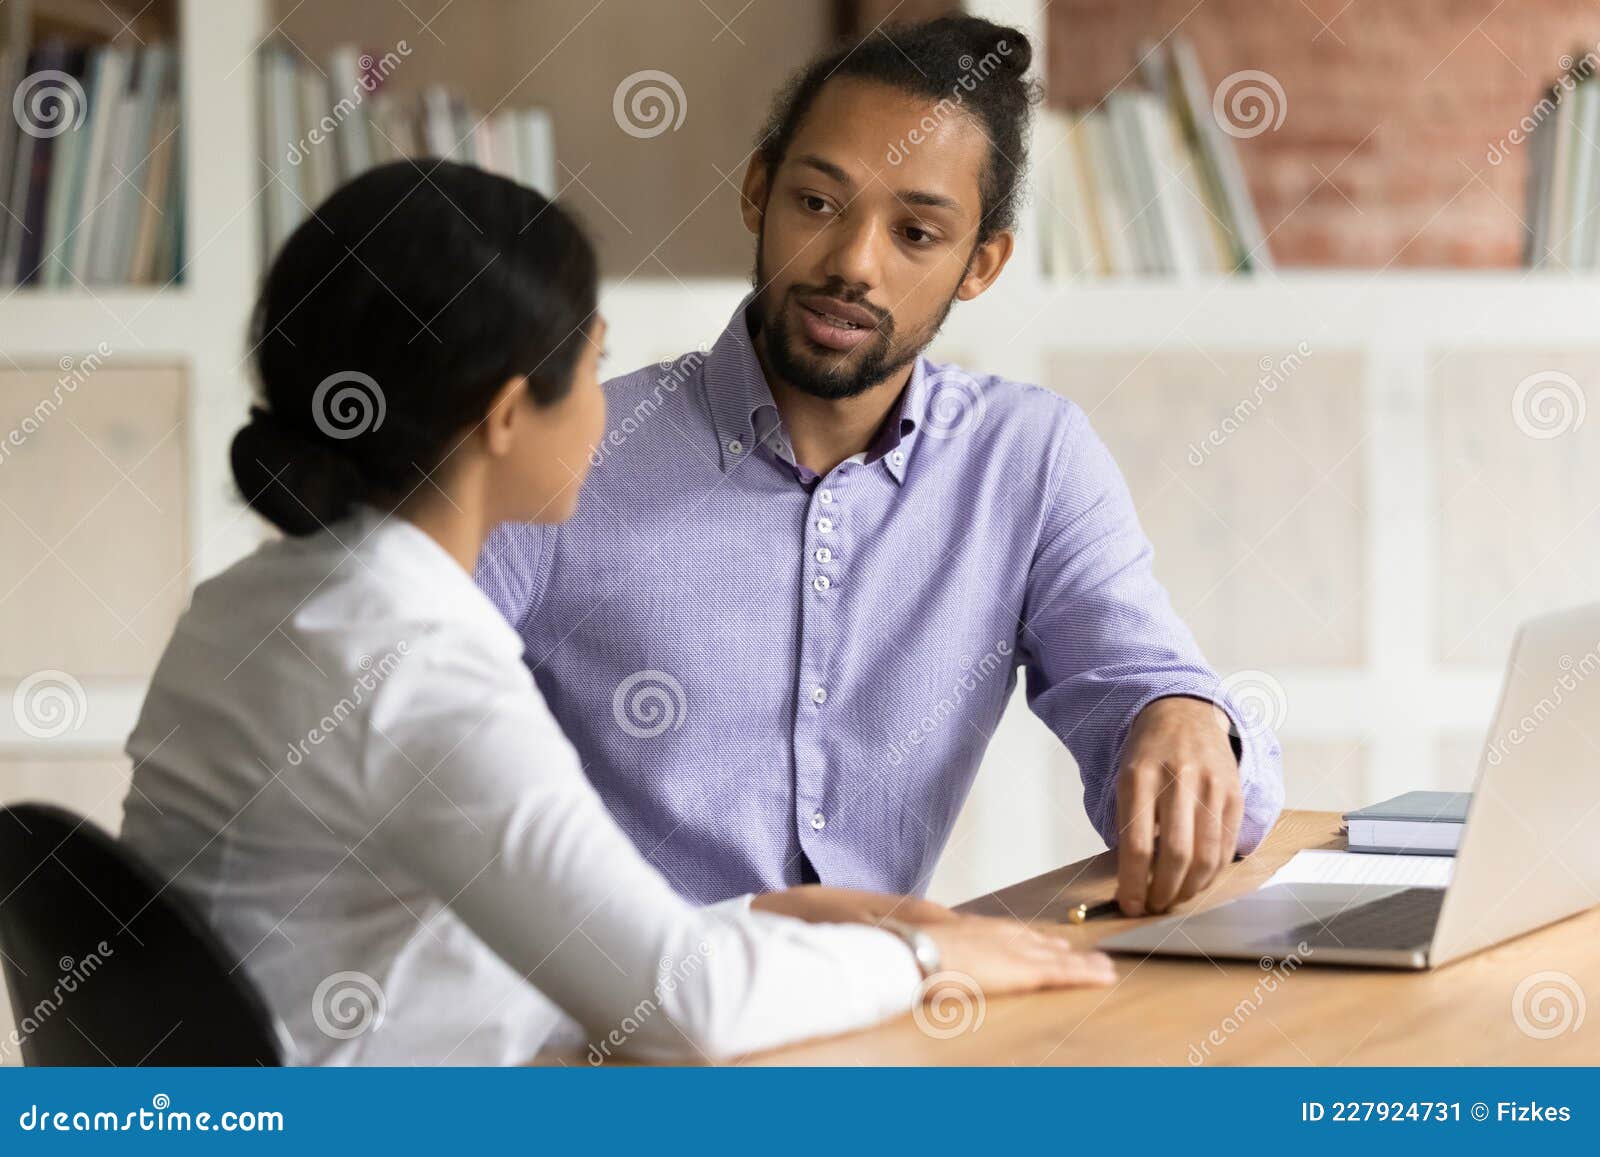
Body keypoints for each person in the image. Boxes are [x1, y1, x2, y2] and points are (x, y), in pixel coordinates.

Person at [117, 160, 1114, 1066]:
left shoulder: (257, 601)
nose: (608, 410)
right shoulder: (415, 667)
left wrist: (760, 914)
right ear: (508, 416)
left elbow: (476, 950)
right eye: (590, 368)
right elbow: (690, 1010)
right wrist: (919, 954)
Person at [477, 15, 1285, 920]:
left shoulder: (1027, 460)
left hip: (877, 1028)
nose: (853, 264)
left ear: (981, 266)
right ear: (757, 193)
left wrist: (1179, 712)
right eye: (818, 205)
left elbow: (1202, 770)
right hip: (615, 1034)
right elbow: (402, 759)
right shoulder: (568, 453)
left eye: (915, 233)